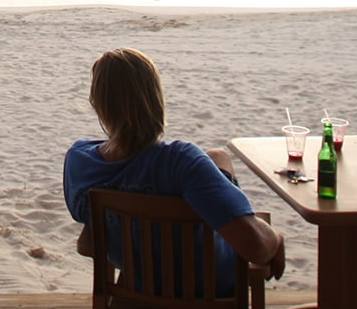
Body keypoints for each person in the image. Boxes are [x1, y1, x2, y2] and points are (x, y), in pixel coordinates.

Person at [64, 47, 286, 286]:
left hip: (138, 280)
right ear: (155, 98)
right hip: (206, 287)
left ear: (96, 103)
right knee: (216, 169)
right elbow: (255, 249)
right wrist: (275, 238)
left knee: (218, 156)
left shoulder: (79, 160)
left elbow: (82, 221)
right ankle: (238, 216)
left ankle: (231, 213)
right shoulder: (180, 161)